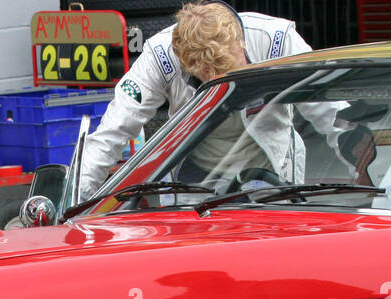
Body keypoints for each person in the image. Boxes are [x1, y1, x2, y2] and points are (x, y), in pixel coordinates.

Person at [78, 1, 375, 201]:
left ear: (240, 42)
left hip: (270, 171)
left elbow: (332, 115)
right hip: (193, 180)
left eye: (226, 72)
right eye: (203, 78)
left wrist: (364, 178)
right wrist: (74, 210)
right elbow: (110, 135)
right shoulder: (159, 55)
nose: (216, 81)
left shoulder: (278, 40)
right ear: (183, 59)